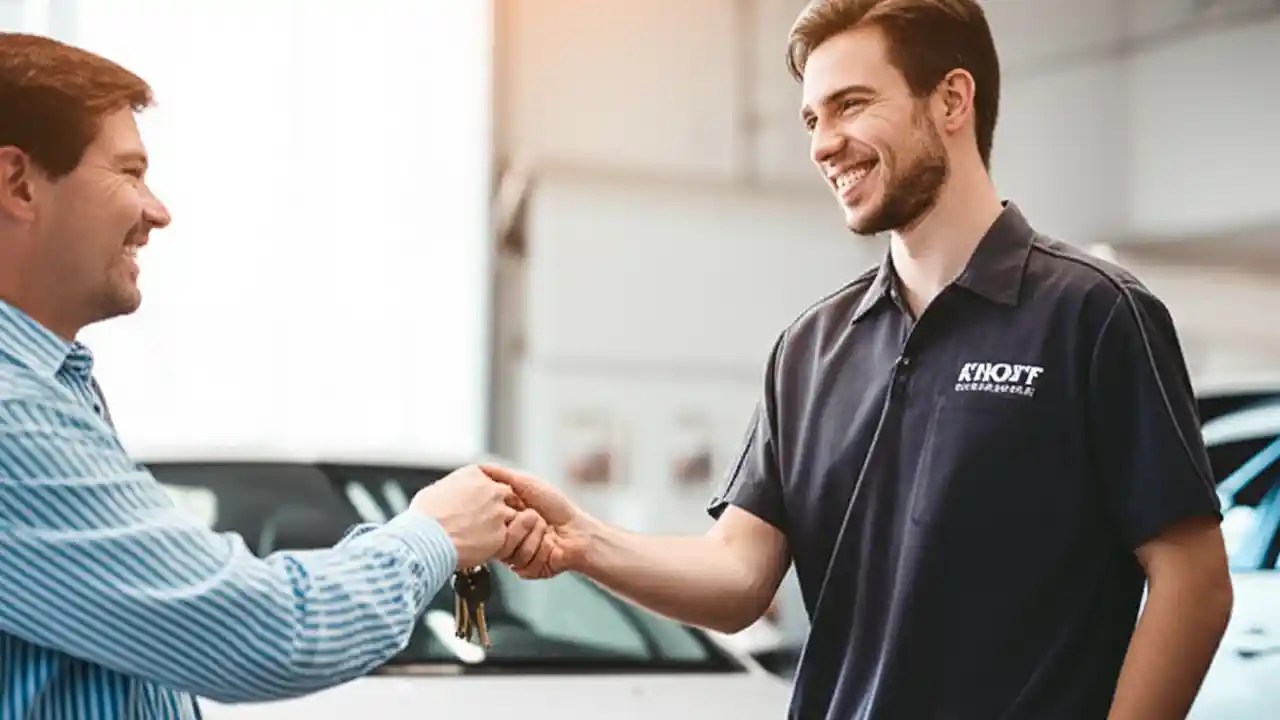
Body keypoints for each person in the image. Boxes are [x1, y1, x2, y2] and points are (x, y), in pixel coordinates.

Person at [487, 1, 1235, 718]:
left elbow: (1193, 584)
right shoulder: (809, 350)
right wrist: (583, 542)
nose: (820, 143)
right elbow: (740, 575)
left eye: (850, 105)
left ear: (951, 100)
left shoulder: (1094, 314)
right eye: (813, 117)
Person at [0, 32, 543, 718]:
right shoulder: (12, 413)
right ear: (18, 183)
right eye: (129, 172)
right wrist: (434, 534)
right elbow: (259, 632)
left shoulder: (50, 384)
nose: (156, 212)